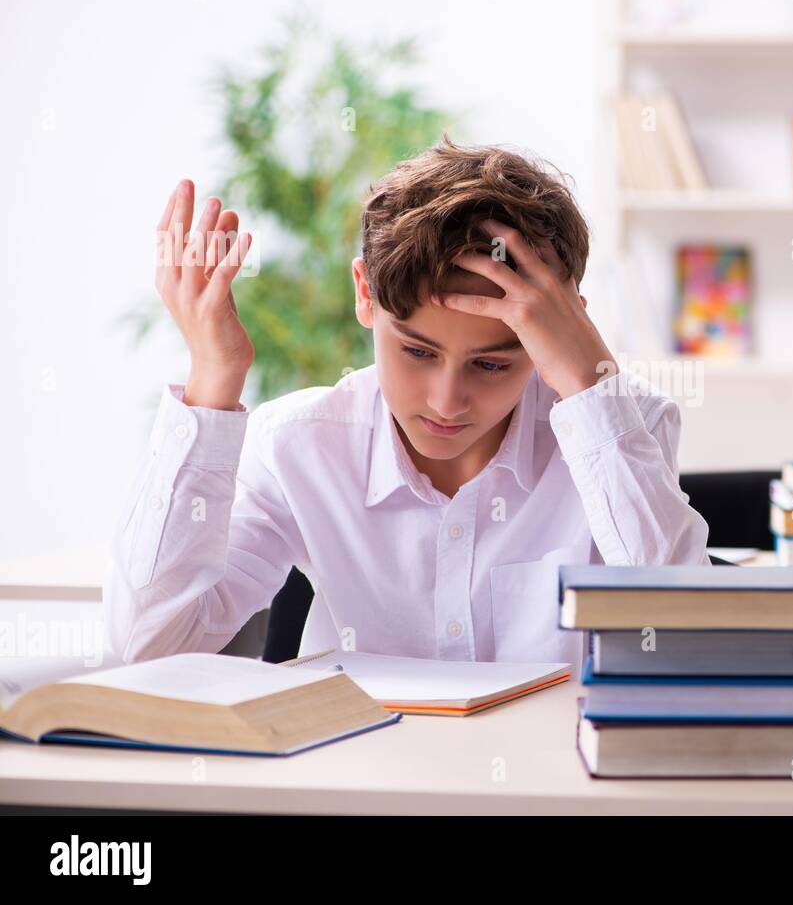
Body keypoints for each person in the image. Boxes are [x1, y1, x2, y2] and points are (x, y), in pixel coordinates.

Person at [105, 135, 710, 666]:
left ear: (555, 329)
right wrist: (214, 376)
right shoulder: (297, 444)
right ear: (365, 296)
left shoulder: (623, 426)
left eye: (493, 363)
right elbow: (149, 647)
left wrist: (588, 381)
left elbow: (690, 650)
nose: (448, 401)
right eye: (417, 352)